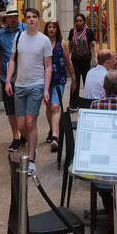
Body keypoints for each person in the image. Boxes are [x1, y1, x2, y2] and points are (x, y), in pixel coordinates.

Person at [4, 6, 52, 164]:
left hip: (36, 85)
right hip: (19, 85)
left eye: (34, 17)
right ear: (25, 20)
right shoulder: (18, 37)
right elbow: (12, 60)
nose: (31, 19)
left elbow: (48, 66)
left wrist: (46, 89)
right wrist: (7, 81)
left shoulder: (44, 40)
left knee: (31, 122)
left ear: (38, 20)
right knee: (21, 125)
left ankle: (31, 158)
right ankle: (33, 146)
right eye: (28, 17)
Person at [0, 6, 27, 153]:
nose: (13, 18)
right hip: (6, 77)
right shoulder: (1, 33)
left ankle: (24, 133)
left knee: (24, 108)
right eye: (11, 16)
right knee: (11, 110)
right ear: (6, 19)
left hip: (23, 76)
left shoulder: (25, 29)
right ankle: (16, 137)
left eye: (15, 16)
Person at [44, 19, 75, 152]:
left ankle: (55, 137)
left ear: (57, 30)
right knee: (49, 107)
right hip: (46, 81)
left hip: (59, 79)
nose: (51, 29)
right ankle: (52, 130)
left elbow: (68, 61)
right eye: (49, 27)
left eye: (54, 27)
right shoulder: (43, 44)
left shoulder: (62, 44)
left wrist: (73, 78)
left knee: (55, 106)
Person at [68, 12, 95, 97]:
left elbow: (94, 44)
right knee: (75, 81)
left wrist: (96, 58)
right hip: (75, 60)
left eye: (80, 21)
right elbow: (70, 45)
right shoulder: (72, 31)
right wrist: (67, 57)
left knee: (86, 81)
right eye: (77, 21)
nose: (78, 22)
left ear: (84, 22)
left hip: (86, 60)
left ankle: (87, 100)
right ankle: (73, 104)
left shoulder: (89, 31)